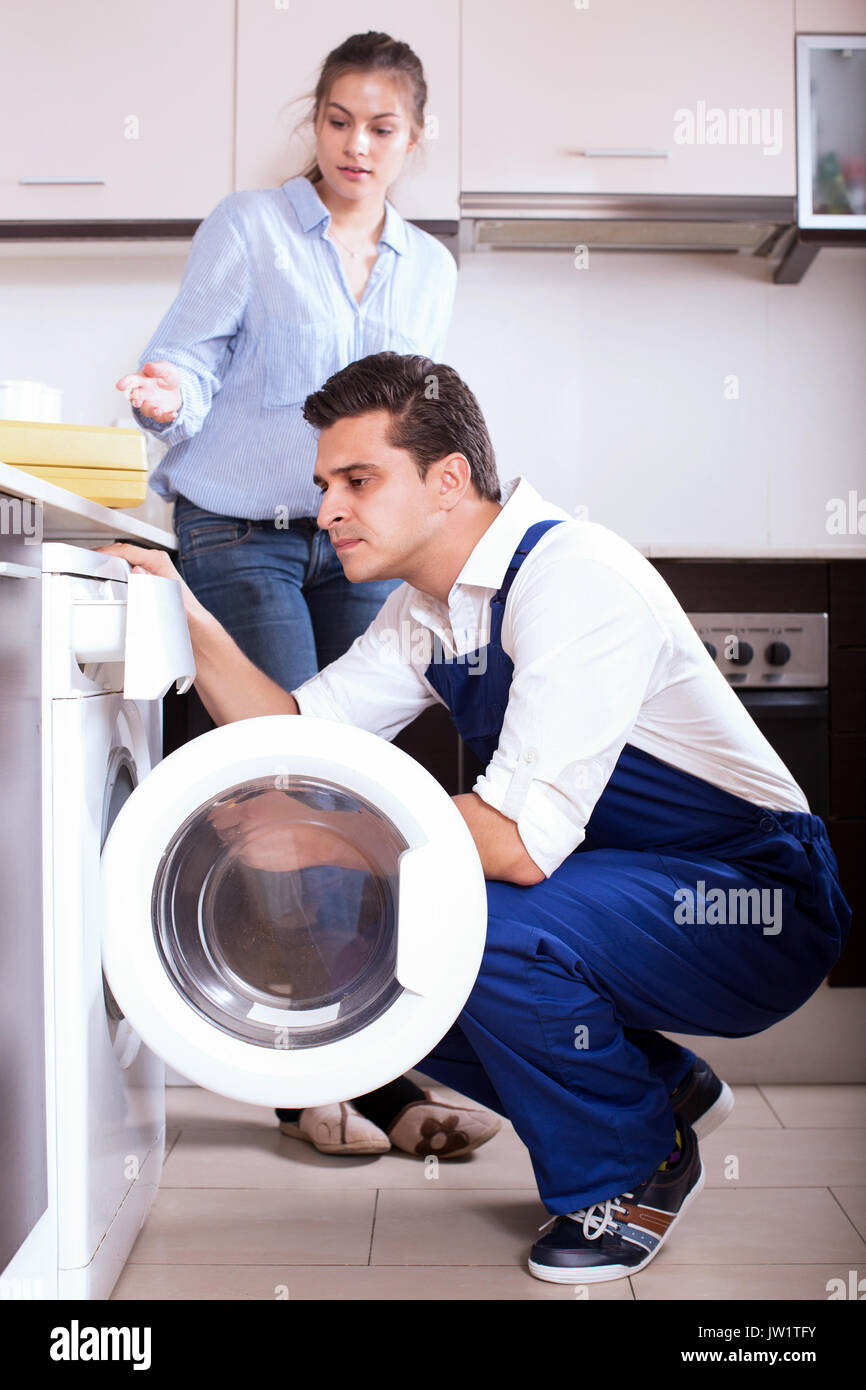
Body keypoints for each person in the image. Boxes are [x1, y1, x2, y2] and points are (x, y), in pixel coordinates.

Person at [100, 352, 851, 1284]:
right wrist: (188, 613)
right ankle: (656, 1089)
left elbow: (516, 846)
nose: (327, 509)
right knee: (370, 924)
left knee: (457, 920)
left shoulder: (574, 579)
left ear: (448, 479)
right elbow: (298, 740)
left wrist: (336, 835)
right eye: (326, 485)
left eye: (358, 480)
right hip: (622, 888)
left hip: (753, 900)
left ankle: (633, 1171)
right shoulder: (430, 609)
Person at [114, 30, 480, 1158]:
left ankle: (369, 1063)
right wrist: (166, 395)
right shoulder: (250, 228)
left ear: (412, 139)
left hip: (355, 552)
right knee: (288, 789)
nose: (354, 145)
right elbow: (192, 356)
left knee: (357, 803)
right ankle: (313, 1082)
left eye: (380, 127)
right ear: (313, 122)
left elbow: (408, 431)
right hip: (240, 534)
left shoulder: (430, 268)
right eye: (336, 120)